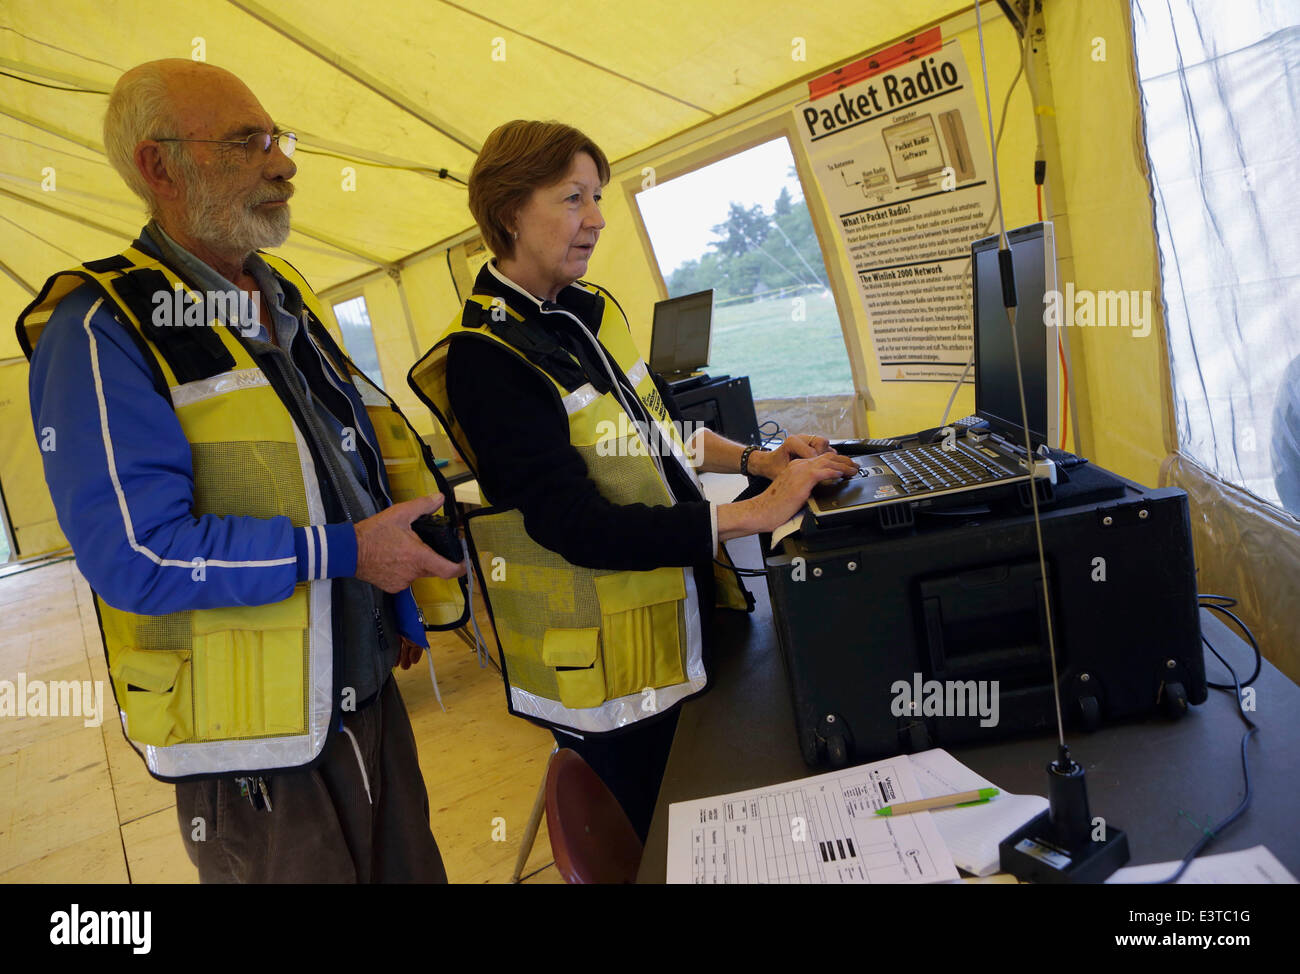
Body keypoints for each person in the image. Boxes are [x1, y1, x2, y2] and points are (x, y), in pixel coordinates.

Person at [17, 59, 467, 883]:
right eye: (246, 141)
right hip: (253, 754)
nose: (284, 162)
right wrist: (347, 556)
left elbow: (338, 461)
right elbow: (137, 555)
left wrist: (391, 599)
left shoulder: (279, 291)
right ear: (160, 167)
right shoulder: (98, 330)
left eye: (278, 138)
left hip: (363, 693)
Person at [409, 119, 856, 838]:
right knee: (670, 850)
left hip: (682, 627)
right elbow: (572, 525)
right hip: (613, 683)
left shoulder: (589, 314)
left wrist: (758, 461)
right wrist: (754, 514)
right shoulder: (485, 358)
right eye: (573, 199)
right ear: (508, 214)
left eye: (598, 197)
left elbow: (658, 432)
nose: (597, 218)